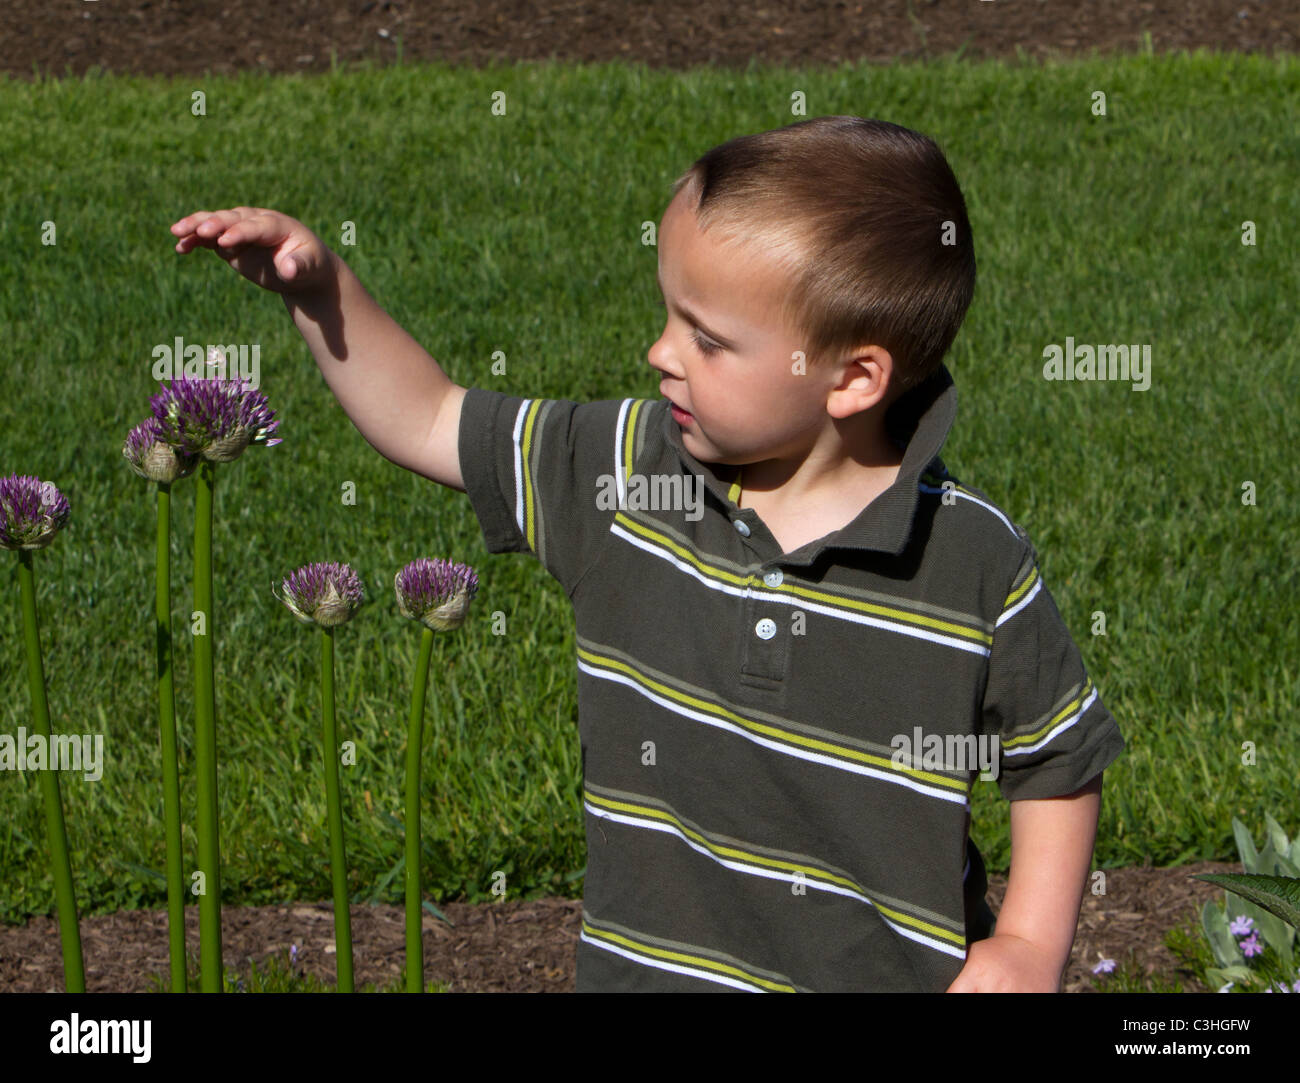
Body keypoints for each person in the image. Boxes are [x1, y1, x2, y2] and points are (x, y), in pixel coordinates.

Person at [170, 114, 1124, 992]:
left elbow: (1057, 756)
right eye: (670, 313)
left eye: (705, 339)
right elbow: (429, 417)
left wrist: (1029, 943)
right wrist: (321, 290)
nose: (658, 351)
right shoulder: (623, 475)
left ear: (852, 377)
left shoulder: (969, 559)